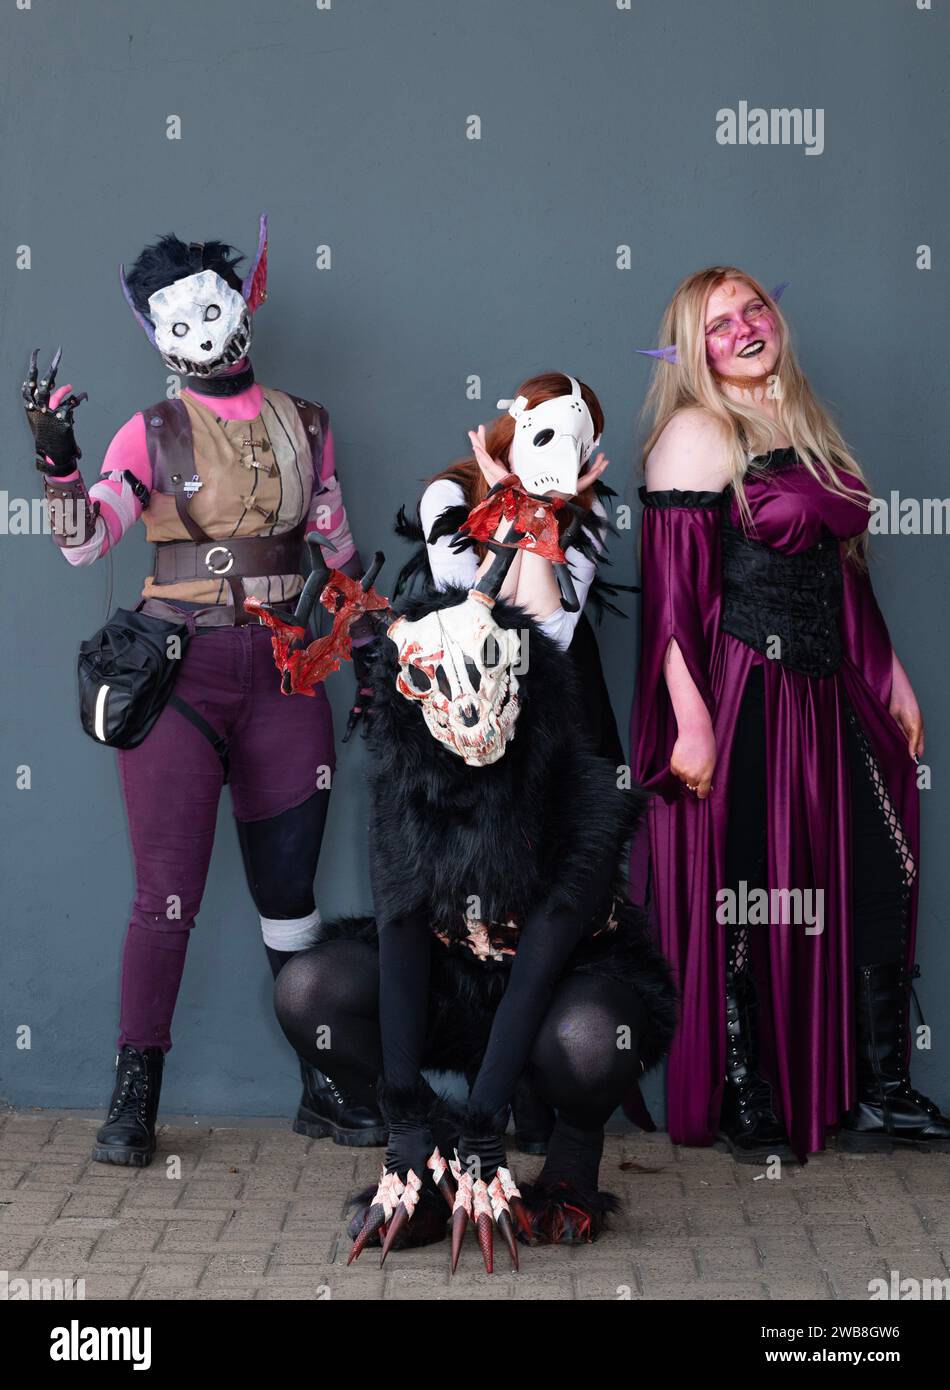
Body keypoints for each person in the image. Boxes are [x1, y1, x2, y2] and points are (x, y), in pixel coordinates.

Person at [274, 378, 676, 1261]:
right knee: (311, 987)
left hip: (549, 977)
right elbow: (405, 930)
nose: (472, 708)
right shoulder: (409, 773)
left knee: (584, 1036)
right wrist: (410, 1129)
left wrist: (544, 505)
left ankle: (567, 1160)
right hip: (457, 974)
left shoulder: (578, 781)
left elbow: (545, 628)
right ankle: (432, 1161)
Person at [20, 216, 384, 1166]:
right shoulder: (149, 433)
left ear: (244, 300)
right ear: (158, 334)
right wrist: (58, 464)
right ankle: (135, 1090)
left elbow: (338, 549)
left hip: (286, 676)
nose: (203, 325)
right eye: (177, 316)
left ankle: (323, 1079)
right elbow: (84, 542)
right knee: (165, 898)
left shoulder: (310, 426)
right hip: (177, 676)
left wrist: (385, 628)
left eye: (213, 302)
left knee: (290, 894)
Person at [630, 265, 949, 1160]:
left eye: (753, 310)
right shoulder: (696, 432)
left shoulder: (801, 423)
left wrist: (891, 673)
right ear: (696, 347)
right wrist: (690, 721)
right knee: (752, 888)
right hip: (745, 687)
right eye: (719, 322)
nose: (743, 329)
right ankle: (746, 1090)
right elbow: (670, 600)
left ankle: (882, 1088)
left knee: (878, 863)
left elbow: (838, 569)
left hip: (830, 682)